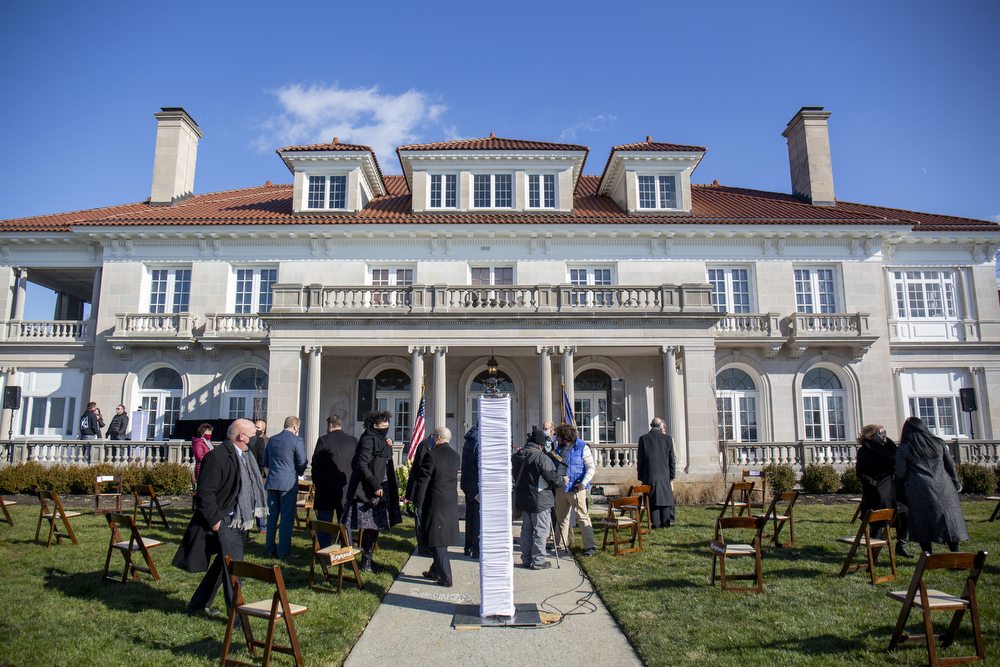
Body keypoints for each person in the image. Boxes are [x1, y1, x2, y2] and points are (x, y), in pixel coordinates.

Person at [172, 419, 266, 618]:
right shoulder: (217, 457)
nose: (256, 439)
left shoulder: (245, 456)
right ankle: (238, 619)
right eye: (253, 435)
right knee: (234, 570)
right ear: (241, 436)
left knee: (223, 567)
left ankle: (197, 605)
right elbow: (205, 493)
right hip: (225, 521)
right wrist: (216, 521)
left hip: (240, 520)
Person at [895, 416, 969, 554]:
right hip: (944, 486)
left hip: (918, 488)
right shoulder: (938, 443)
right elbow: (950, 466)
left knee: (923, 523)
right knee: (948, 520)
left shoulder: (905, 448)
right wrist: (956, 483)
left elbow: (901, 473)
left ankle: (927, 555)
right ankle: (955, 553)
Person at [344, 410, 402, 573]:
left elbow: (382, 457)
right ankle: (365, 564)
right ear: (374, 425)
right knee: (370, 525)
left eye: (387, 423)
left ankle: (367, 560)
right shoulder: (369, 438)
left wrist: (387, 444)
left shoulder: (380, 439)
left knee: (374, 527)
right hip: (369, 489)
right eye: (383, 424)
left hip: (381, 486)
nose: (386, 426)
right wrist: (375, 485)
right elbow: (361, 463)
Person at [413, 427, 460, 587]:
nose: (431, 438)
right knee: (439, 536)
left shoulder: (431, 455)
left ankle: (446, 577)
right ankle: (434, 570)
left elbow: (423, 481)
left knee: (438, 540)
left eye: (433, 436)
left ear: (438, 438)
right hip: (450, 502)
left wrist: (417, 502)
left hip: (435, 502)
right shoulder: (455, 455)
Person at [855, 424, 912, 557]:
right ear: (872, 436)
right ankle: (874, 551)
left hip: (892, 488)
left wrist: (888, 442)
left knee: (904, 515)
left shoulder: (887, 448)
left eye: (884, 432)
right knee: (877, 521)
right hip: (877, 492)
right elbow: (861, 472)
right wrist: (874, 484)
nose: (884, 435)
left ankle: (901, 545)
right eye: (881, 433)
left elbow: (897, 457)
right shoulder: (865, 450)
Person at [513, 428, 563, 570]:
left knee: (526, 529)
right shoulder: (541, 458)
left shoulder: (517, 455)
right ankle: (539, 560)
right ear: (541, 444)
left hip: (523, 498)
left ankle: (526, 558)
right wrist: (563, 481)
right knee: (541, 529)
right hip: (539, 499)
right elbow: (552, 478)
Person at [263, 416, 307, 559]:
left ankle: (269, 548)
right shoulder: (297, 440)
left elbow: (266, 461)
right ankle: (283, 552)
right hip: (288, 483)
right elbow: (302, 462)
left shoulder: (272, 440)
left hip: (272, 481)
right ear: (295, 427)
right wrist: (299, 472)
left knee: (271, 517)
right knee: (286, 519)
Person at [311, 414, 358, 548]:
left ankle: (324, 550)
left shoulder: (323, 440)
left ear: (329, 425)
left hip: (326, 488)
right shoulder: (353, 441)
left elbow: (316, 464)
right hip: (346, 487)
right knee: (344, 523)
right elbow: (357, 464)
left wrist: (316, 481)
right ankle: (347, 548)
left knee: (325, 523)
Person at [553, 422, 598, 557]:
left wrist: (583, 484)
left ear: (565, 436)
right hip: (561, 488)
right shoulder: (560, 448)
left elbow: (591, 467)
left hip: (576, 488)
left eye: (558, 436)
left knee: (582, 517)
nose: (556, 439)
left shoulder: (582, 447)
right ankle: (560, 544)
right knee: (561, 518)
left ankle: (590, 546)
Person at [637, 417, 676, 528]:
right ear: (661, 427)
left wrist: (641, 476)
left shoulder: (643, 439)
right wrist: (672, 475)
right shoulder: (667, 439)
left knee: (652, 499)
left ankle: (655, 523)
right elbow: (671, 460)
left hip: (649, 474)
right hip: (664, 473)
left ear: (651, 425)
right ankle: (665, 522)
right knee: (665, 498)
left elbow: (641, 460)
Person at [405, 432, 435, 558]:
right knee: (420, 518)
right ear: (436, 436)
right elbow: (423, 470)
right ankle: (422, 547)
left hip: (425, 489)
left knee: (425, 518)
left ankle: (426, 545)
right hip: (419, 488)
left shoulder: (430, 445)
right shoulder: (425, 446)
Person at [460, 423, 480, 558]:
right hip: (476, 485)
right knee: (478, 516)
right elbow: (480, 465)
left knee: (470, 515)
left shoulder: (470, 439)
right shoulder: (480, 442)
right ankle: (477, 547)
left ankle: (468, 546)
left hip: (468, 484)